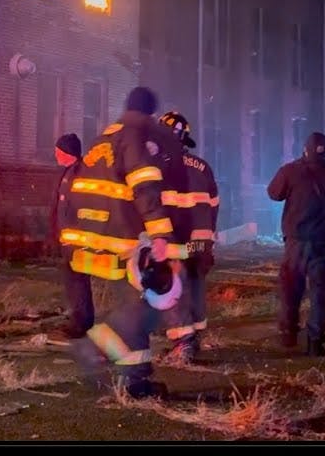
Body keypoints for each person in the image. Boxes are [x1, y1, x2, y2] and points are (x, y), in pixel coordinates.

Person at [61, 87, 178, 398]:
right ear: (150, 114)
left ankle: (135, 380)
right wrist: (160, 234)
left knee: (134, 305)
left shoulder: (103, 139)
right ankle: (95, 347)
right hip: (118, 239)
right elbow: (144, 187)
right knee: (141, 308)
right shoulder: (134, 138)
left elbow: (75, 185)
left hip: (90, 237)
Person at [267, 132, 325, 356]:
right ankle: (315, 342)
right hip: (323, 244)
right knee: (320, 293)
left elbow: (274, 193)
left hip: (296, 243)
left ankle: (288, 334)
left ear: (305, 150)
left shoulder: (290, 171)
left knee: (290, 289)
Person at [155, 111, 220, 362]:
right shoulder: (203, 166)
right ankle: (195, 336)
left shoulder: (161, 165)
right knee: (195, 287)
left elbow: (157, 204)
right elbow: (214, 204)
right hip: (201, 241)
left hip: (176, 240)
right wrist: (209, 238)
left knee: (174, 288)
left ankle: (184, 344)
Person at [50, 133, 92, 340]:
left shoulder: (80, 173)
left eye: (58, 151)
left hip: (78, 240)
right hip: (69, 239)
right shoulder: (69, 173)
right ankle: (80, 319)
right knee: (73, 281)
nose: (55, 154)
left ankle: (81, 323)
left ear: (67, 152)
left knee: (77, 281)